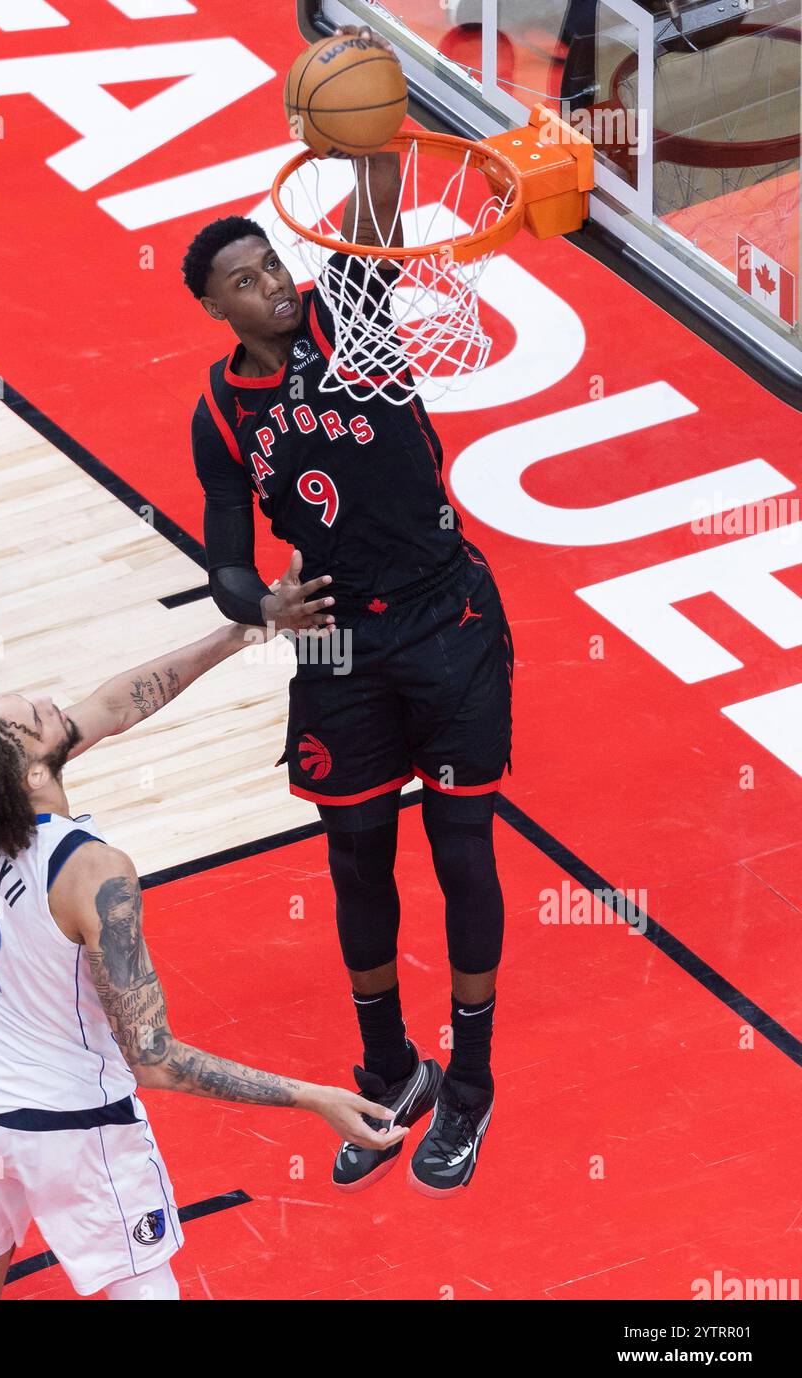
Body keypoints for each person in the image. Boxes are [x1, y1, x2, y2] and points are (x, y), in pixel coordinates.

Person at [183, 26, 514, 1199]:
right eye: (247, 280)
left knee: (462, 843)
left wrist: (369, 108)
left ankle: (469, 1083)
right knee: (353, 856)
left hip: (444, 606)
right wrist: (257, 601)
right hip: (331, 636)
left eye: (274, 264)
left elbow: (379, 202)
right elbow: (224, 561)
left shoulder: (349, 312)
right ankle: (391, 1065)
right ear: (217, 310)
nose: (273, 282)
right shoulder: (218, 415)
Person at [0, 618, 407, 1299]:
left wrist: (244, 632)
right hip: (70, 1129)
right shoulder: (93, 875)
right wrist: (314, 1098)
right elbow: (156, 1059)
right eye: (34, 717)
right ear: (29, 775)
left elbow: (114, 706)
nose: (55, 703)